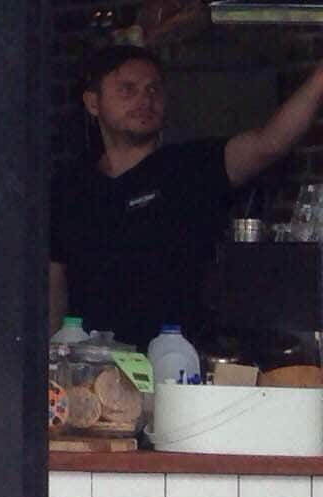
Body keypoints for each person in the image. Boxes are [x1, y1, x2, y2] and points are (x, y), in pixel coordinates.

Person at [50, 43, 323, 346]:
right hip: (91, 371)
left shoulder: (192, 166)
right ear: (92, 102)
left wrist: (320, 78)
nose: (145, 98)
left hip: (178, 368)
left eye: (154, 89)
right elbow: (54, 285)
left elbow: (270, 143)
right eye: (128, 89)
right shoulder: (70, 187)